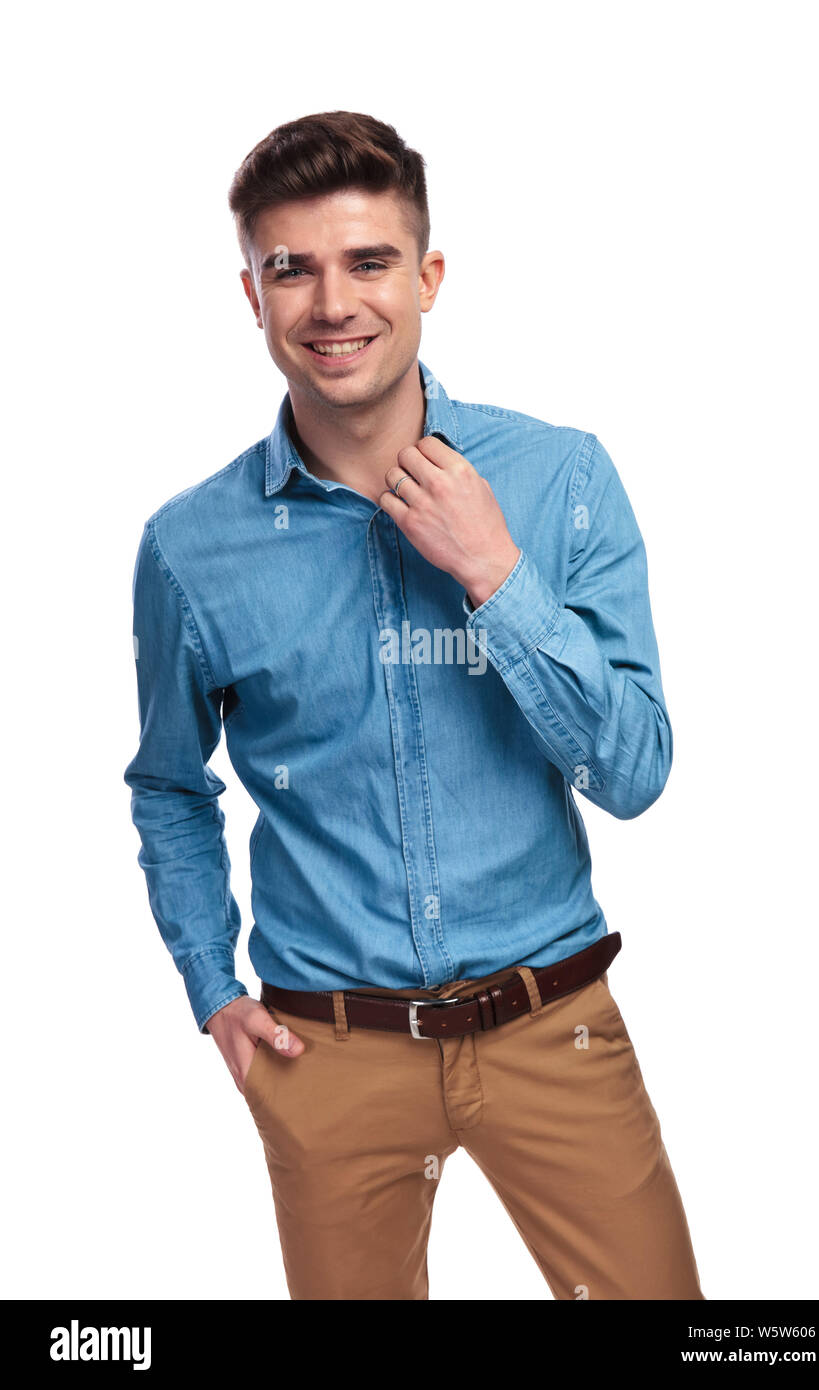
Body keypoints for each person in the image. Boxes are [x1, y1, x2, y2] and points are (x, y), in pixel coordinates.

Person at [123, 110, 705, 1301]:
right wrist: (210, 990)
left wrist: (495, 573)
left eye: (369, 261)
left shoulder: (557, 480)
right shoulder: (191, 548)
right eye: (293, 268)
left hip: (553, 1023)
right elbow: (170, 786)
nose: (332, 302)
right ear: (252, 294)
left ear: (428, 276)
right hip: (324, 1050)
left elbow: (634, 773)